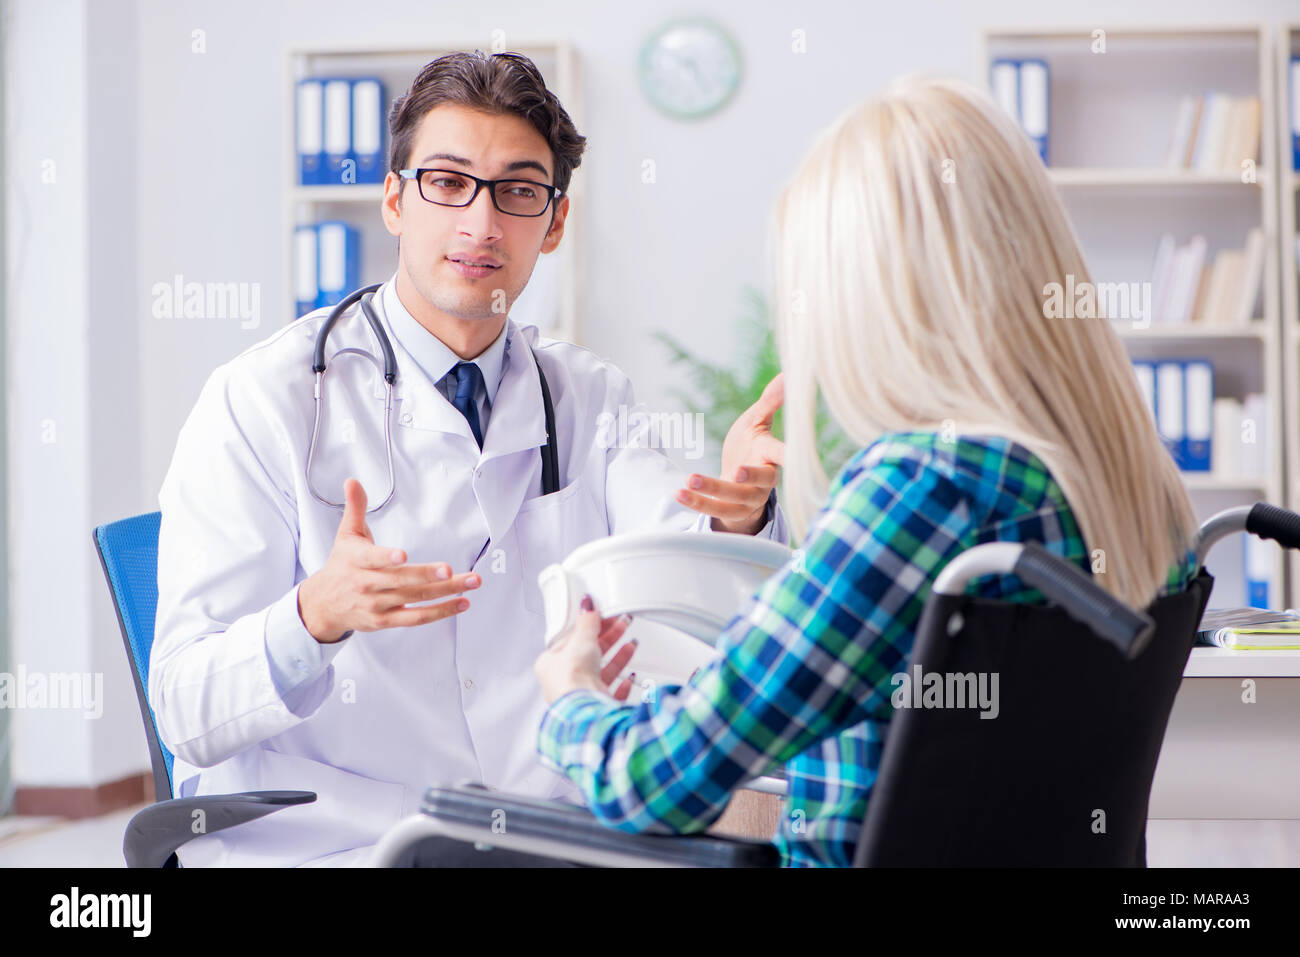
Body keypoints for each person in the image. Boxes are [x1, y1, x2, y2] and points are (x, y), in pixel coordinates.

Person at [533, 74, 1202, 867]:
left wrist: (569, 696)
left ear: (865, 294)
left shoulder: (923, 490)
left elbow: (654, 777)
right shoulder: (1135, 484)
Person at [150, 50, 788, 867]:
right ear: (395, 199)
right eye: (447, 182)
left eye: (518, 191)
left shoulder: (589, 398)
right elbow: (185, 706)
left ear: (553, 223)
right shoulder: (262, 400)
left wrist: (735, 512)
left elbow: (679, 575)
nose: (480, 225)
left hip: (536, 829)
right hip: (334, 838)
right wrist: (314, 615)